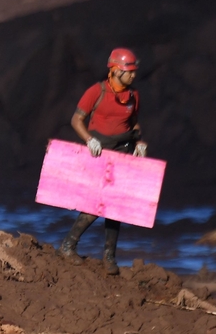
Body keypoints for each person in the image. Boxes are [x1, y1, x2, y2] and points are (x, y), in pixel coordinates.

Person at [56, 47, 147, 276]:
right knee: (95, 203)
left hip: (123, 150)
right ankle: (68, 245)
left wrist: (139, 142)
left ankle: (109, 257)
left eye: (135, 71)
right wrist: (89, 140)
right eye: (129, 71)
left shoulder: (133, 95)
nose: (133, 75)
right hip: (99, 152)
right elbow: (76, 119)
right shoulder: (96, 91)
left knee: (116, 208)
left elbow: (133, 123)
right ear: (116, 70)